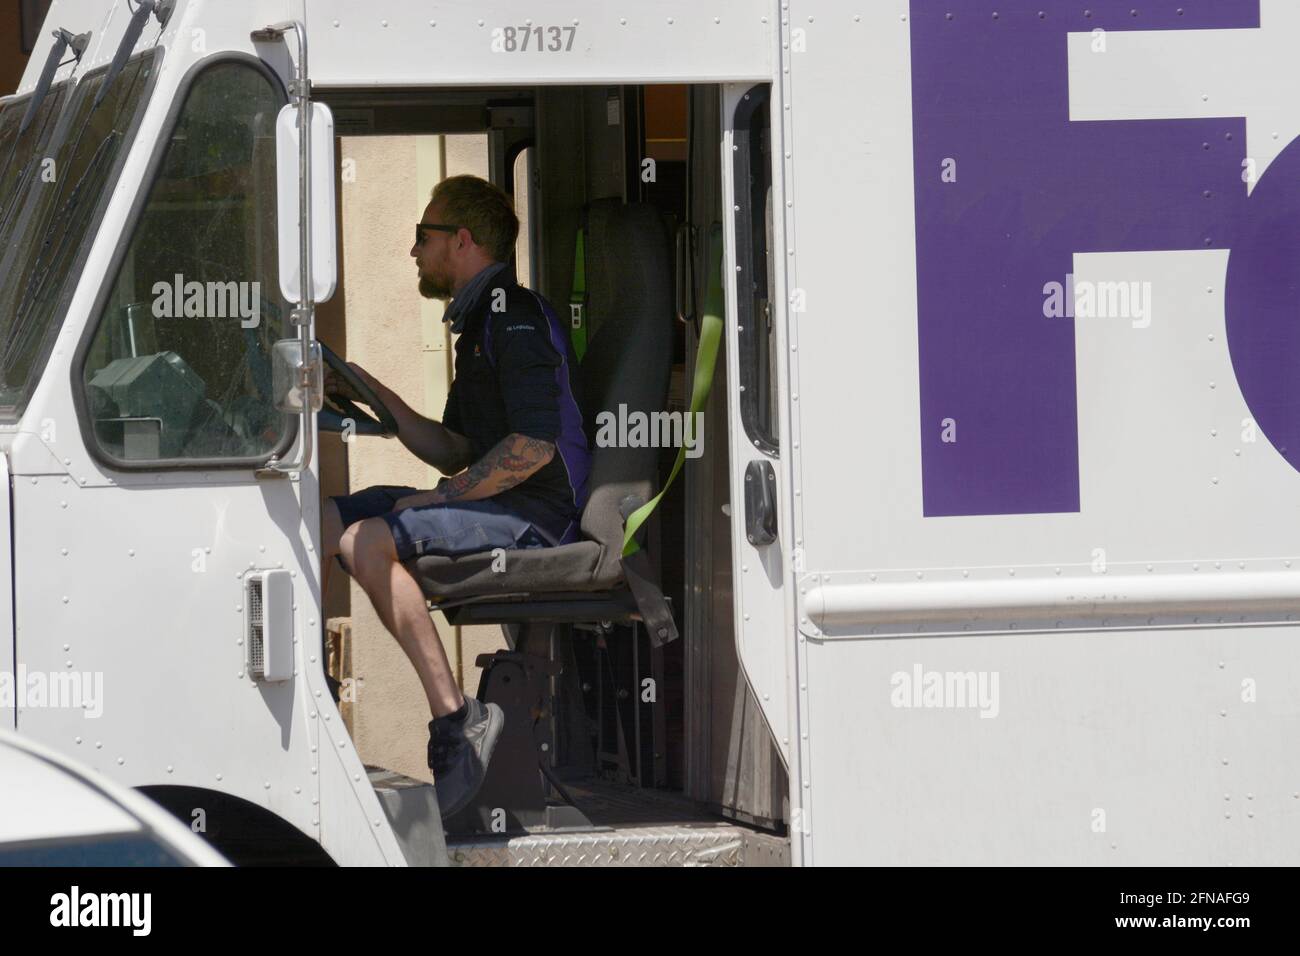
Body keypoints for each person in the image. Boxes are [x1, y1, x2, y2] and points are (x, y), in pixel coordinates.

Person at [322, 175, 590, 817]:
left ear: (461, 241)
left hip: (538, 518)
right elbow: (455, 447)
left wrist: (440, 499)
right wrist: (376, 393)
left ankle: (456, 720)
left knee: (366, 539)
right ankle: (311, 690)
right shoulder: (479, 324)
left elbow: (534, 446)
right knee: (323, 517)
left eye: (423, 236)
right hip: (498, 503)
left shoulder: (515, 318)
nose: (413, 250)